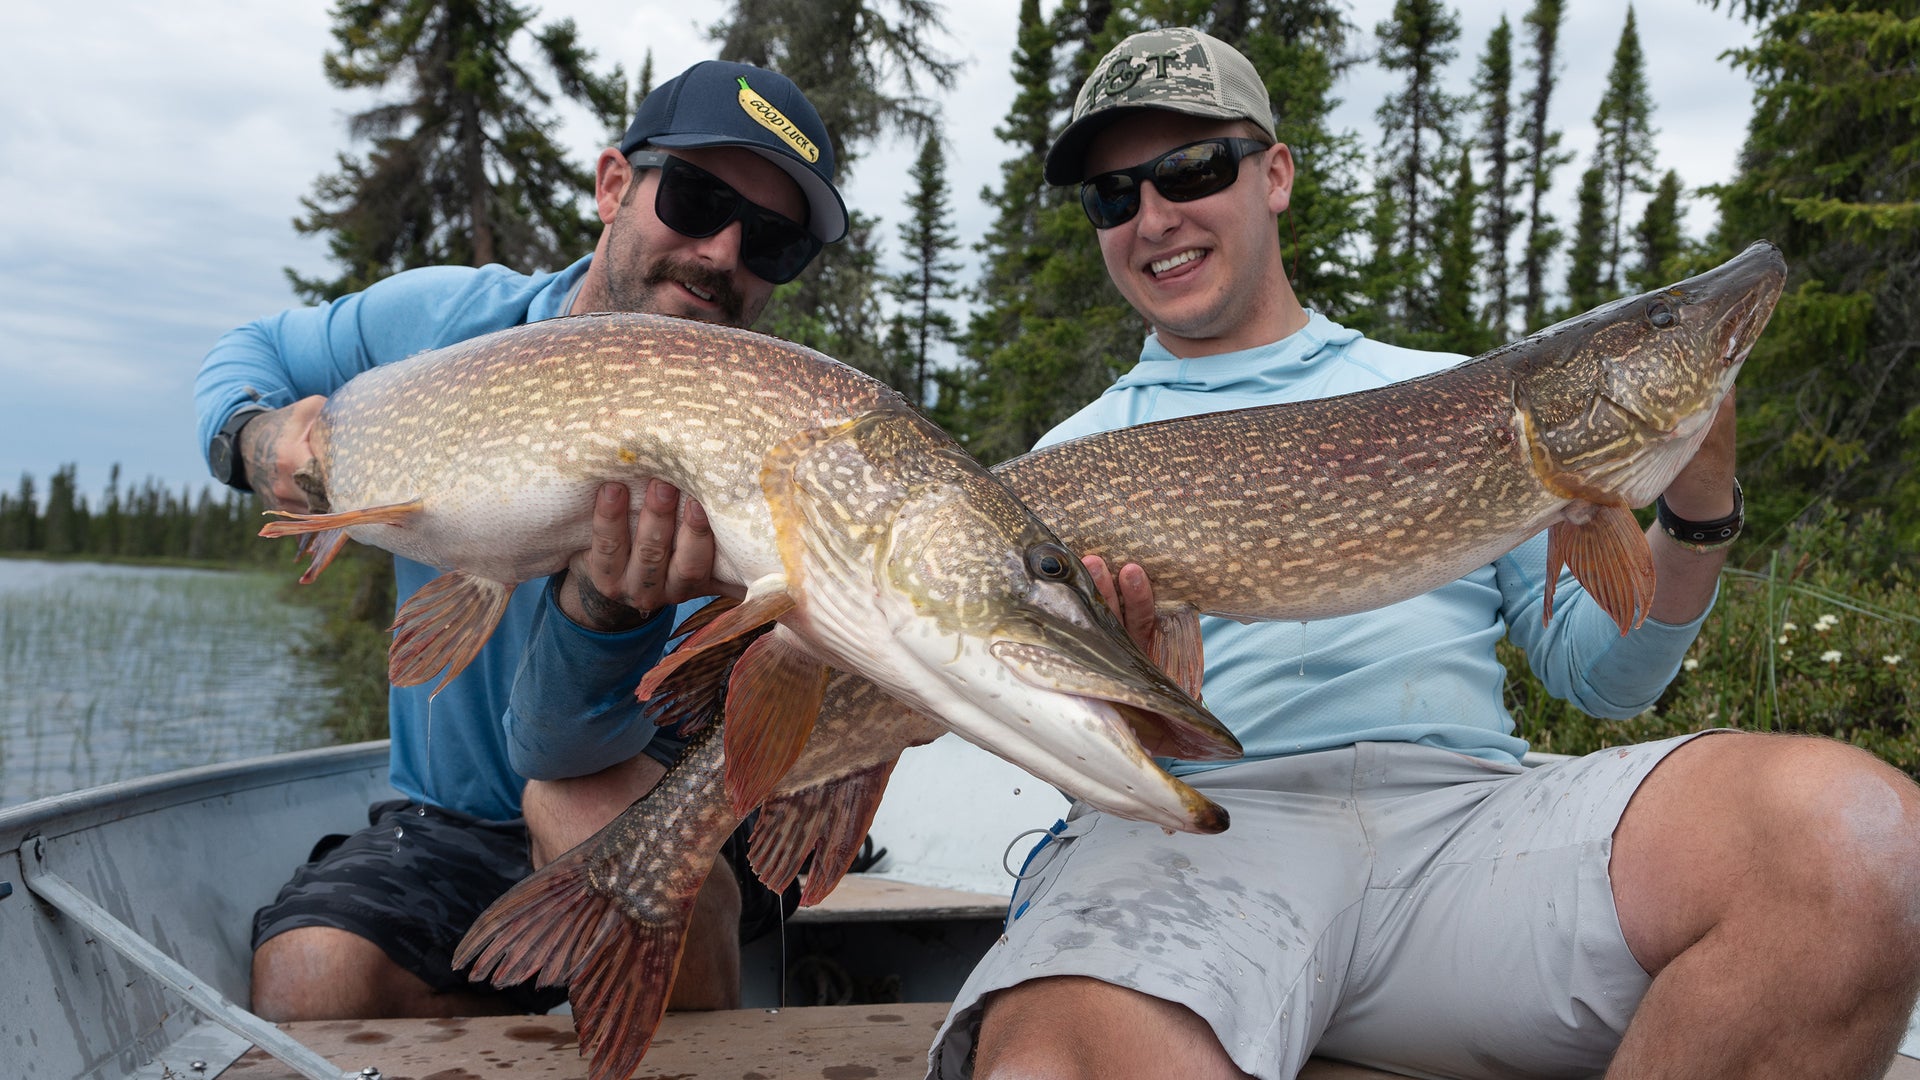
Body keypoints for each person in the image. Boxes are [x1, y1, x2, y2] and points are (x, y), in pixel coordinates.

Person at [929, 27, 1920, 1080]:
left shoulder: (1467, 392)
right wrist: (1125, 707)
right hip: (1201, 845)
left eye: (1190, 170)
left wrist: (1700, 509)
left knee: (1860, 843)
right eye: (1112, 197)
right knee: (1057, 1063)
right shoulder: (1070, 462)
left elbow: (1605, 680)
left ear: (1274, 176)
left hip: (1471, 838)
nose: (1154, 217)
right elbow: (1031, 722)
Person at [195, 59, 848, 1019]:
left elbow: (569, 742)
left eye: (774, 243)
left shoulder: (769, 432)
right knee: (310, 979)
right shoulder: (446, 323)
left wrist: (607, 612)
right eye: (699, 197)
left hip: (644, 788)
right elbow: (250, 349)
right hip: (446, 822)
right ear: (614, 185)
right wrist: (254, 441)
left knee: (592, 816)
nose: (722, 252)